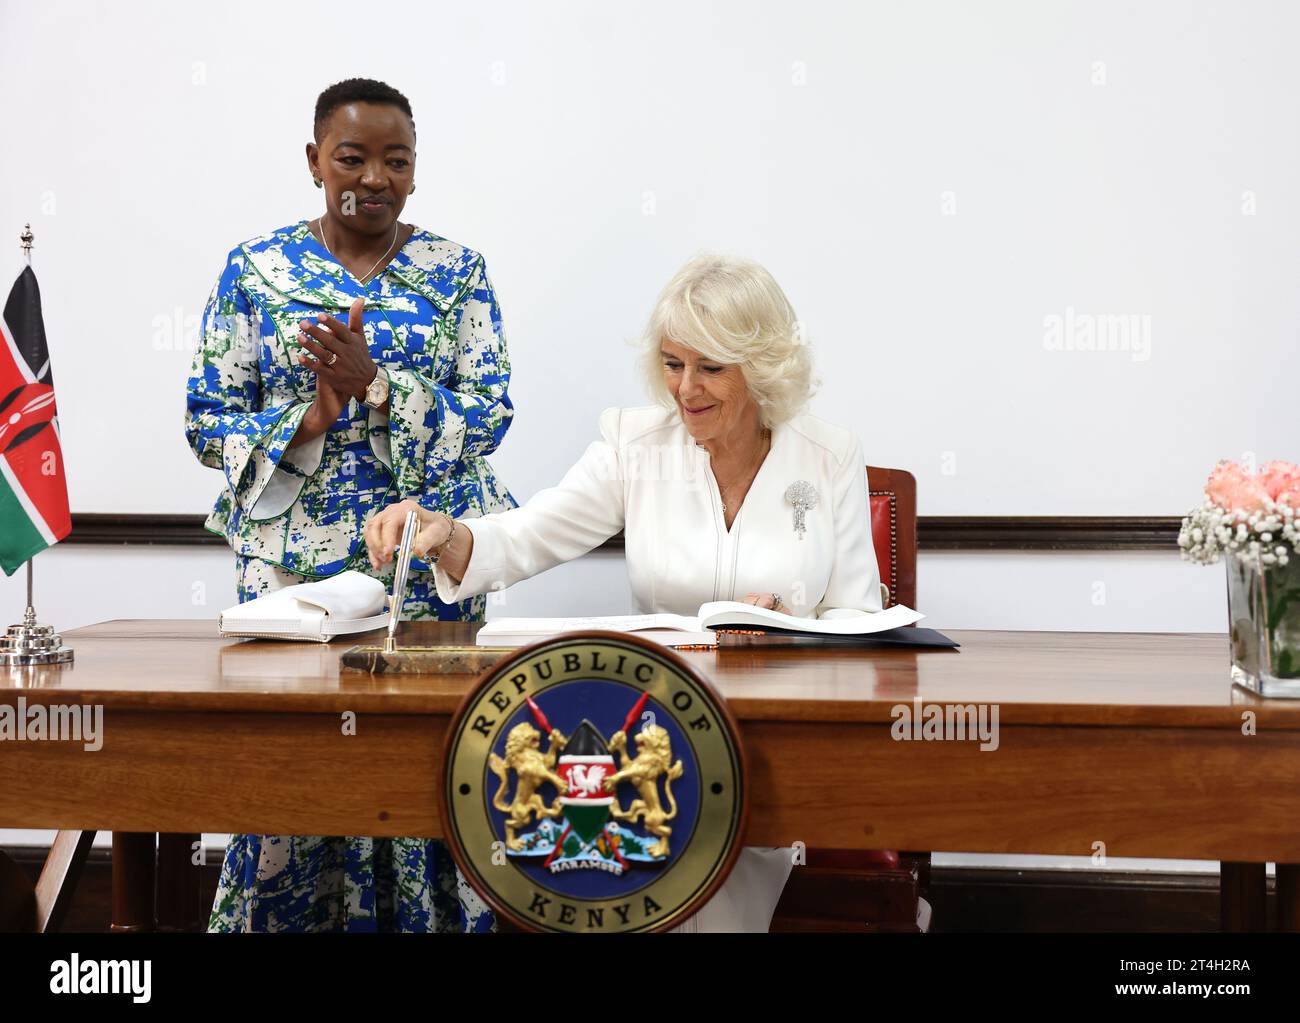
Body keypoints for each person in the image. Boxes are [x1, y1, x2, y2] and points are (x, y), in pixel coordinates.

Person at [364, 254, 884, 931]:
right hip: (654, 733)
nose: (686, 389)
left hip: (777, 745)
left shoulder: (828, 454)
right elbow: (528, 535)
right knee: (606, 843)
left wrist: (790, 628)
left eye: (711, 367)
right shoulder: (636, 443)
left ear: (760, 364)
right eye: (673, 363)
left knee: (700, 857)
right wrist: (443, 533)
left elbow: (860, 620)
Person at [185, 78, 513, 932]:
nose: (373, 178)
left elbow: (488, 414)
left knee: (426, 775)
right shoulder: (254, 271)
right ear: (314, 161)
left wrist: (378, 388)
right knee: (293, 777)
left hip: (424, 564)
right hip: (290, 573)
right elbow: (207, 419)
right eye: (352, 157)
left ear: (414, 170)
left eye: (394, 161)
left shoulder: (458, 272)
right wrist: (310, 415)